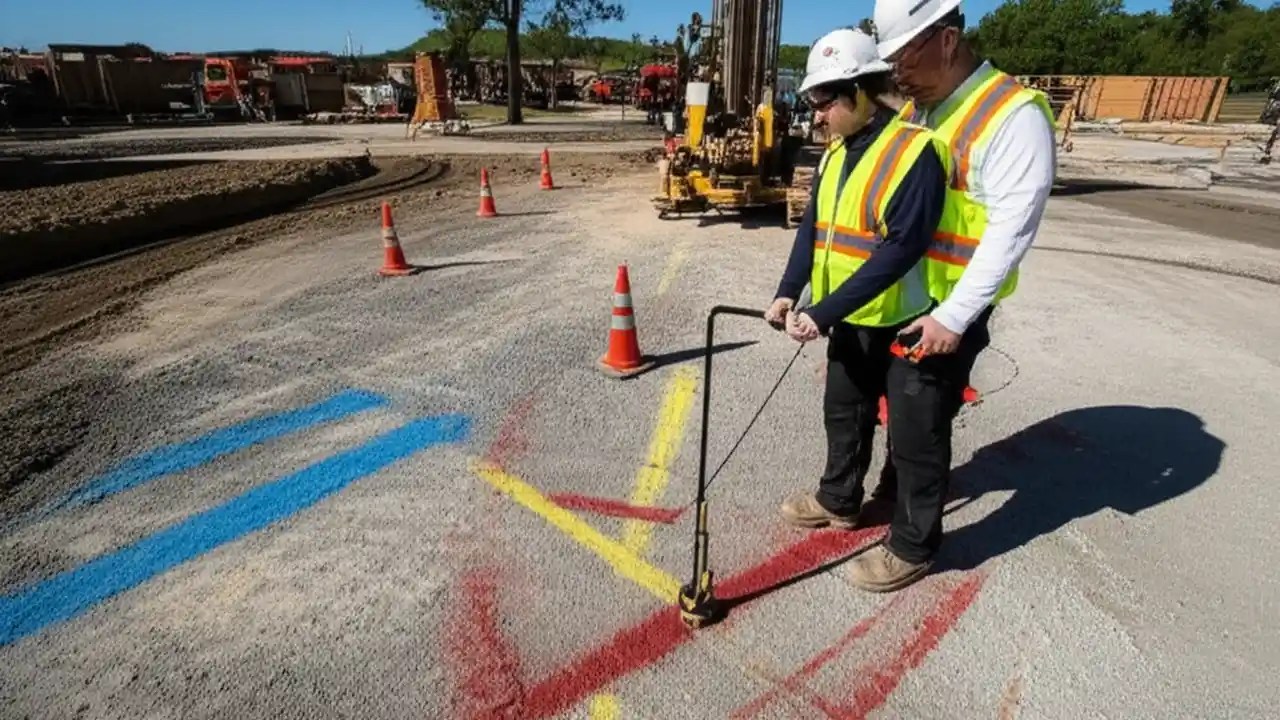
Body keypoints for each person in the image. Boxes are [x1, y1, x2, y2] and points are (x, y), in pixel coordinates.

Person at [839, 0, 1058, 592]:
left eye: (902, 55)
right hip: (902, 299)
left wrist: (955, 316)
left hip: (943, 311)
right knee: (891, 408)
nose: (895, 73)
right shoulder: (920, 109)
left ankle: (912, 546)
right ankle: (891, 491)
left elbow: (1012, 228)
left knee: (918, 420)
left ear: (947, 40)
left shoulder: (1010, 116)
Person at [765, 28, 947, 541]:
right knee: (844, 414)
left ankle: (913, 541)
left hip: (905, 321)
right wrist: (788, 289)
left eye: (825, 103)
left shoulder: (915, 153)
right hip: (849, 318)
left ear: (862, 93)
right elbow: (814, 228)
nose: (817, 115)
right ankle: (839, 500)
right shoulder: (834, 153)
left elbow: (901, 250)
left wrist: (820, 313)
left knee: (913, 437)